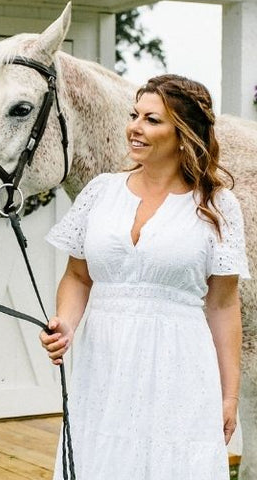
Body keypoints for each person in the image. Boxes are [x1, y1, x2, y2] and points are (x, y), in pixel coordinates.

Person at [40, 74, 250, 480]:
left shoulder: (217, 206)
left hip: (180, 367)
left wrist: (229, 396)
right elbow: (78, 277)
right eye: (134, 115)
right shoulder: (101, 192)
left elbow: (223, 305)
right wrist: (65, 323)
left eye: (152, 120)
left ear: (184, 133)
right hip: (102, 365)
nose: (135, 128)